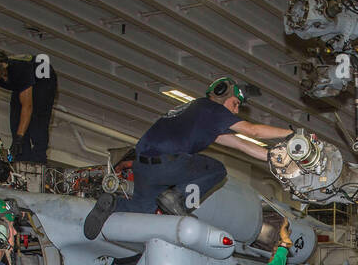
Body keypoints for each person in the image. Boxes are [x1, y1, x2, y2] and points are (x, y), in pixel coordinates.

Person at [84, 76, 294, 239]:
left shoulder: (196, 113)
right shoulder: (211, 108)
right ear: (224, 97)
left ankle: (112, 204)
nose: (236, 110)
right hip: (168, 162)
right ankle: (177, 199)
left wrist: (280, 159)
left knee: (142, 210)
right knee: (217, 170)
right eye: (235, 104)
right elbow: (253, 131)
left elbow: (241, 144)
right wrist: (291, 134)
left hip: (144, 167)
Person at [0, 50, 58, 163]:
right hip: (21, 84)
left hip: (42, 79)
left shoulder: (19, 70)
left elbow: (27, 106)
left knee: (37, 124)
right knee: (16, 122)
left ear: (0, 67)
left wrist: (19, 138)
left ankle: (38, 162)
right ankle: (20, 160)